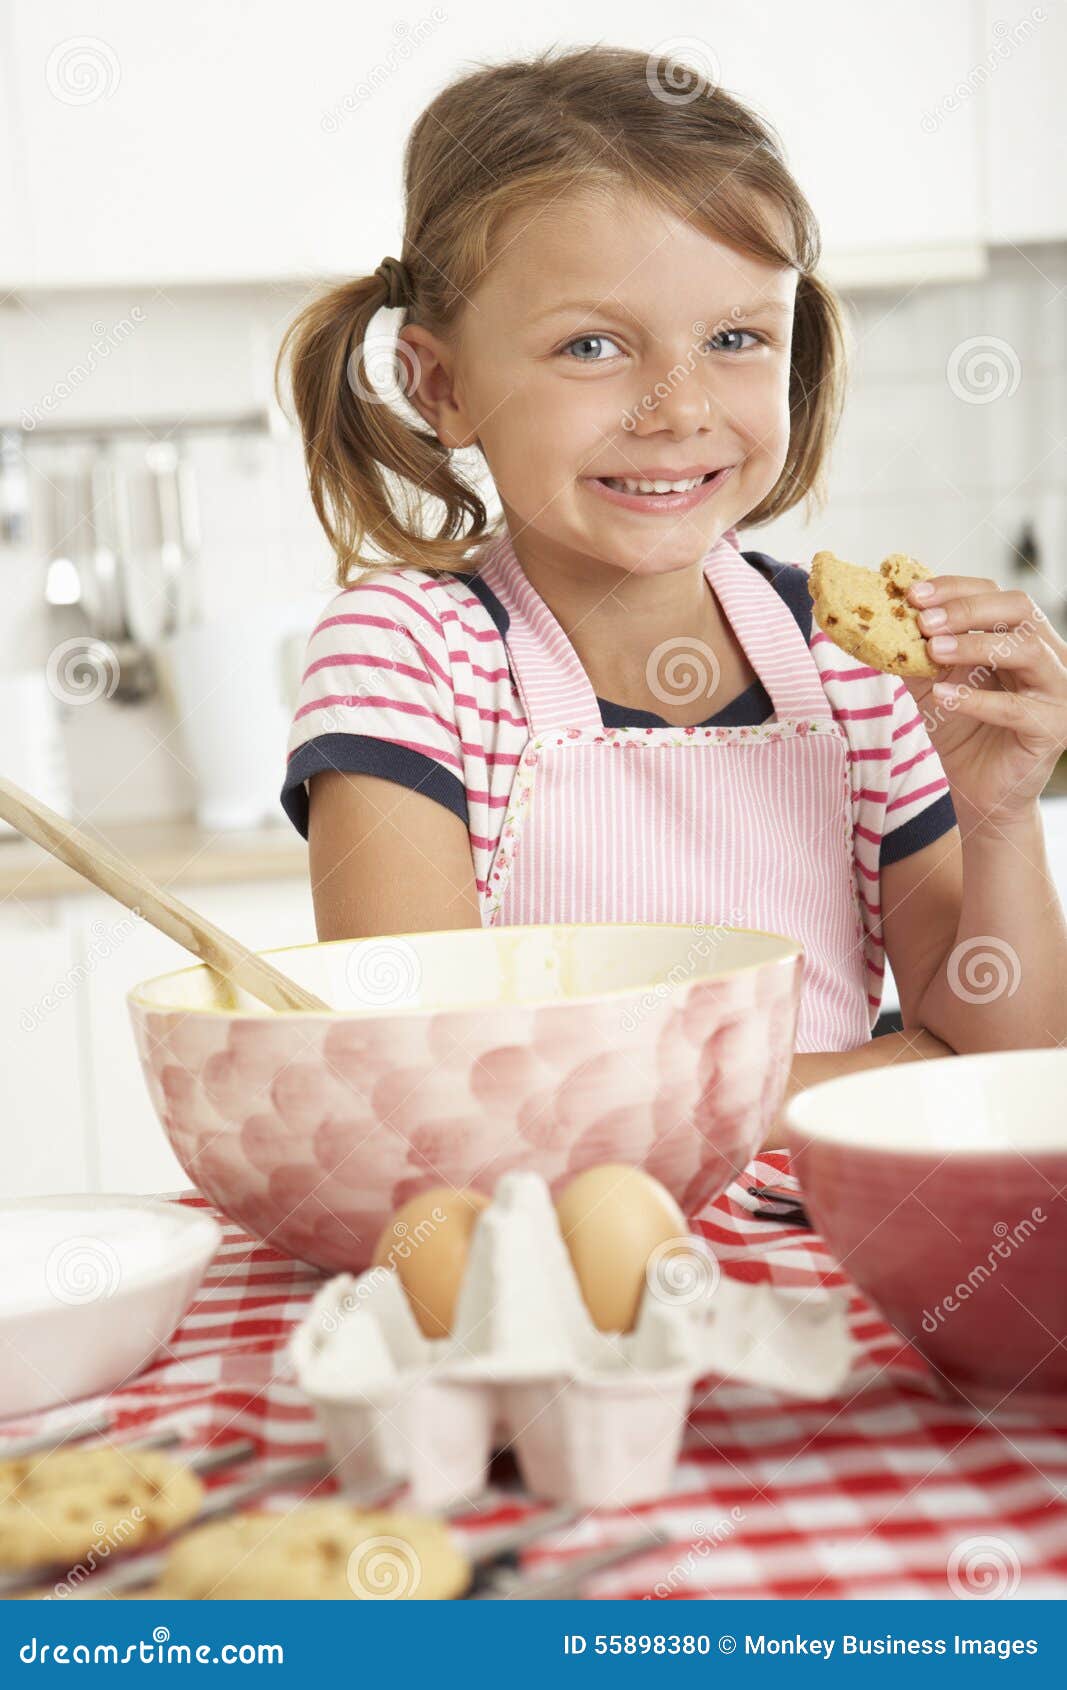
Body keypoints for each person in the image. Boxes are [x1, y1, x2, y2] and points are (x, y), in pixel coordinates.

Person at [275, 43, 1067, 1139]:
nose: (678, 408)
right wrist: (876, 1071)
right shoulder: (408, 655)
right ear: (442, 385)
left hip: (840, 1274)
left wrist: (997, 817)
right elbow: (435, 1089)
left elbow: (1009, 1075)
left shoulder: (851, 672)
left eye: (735, 337)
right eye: (591, 345)